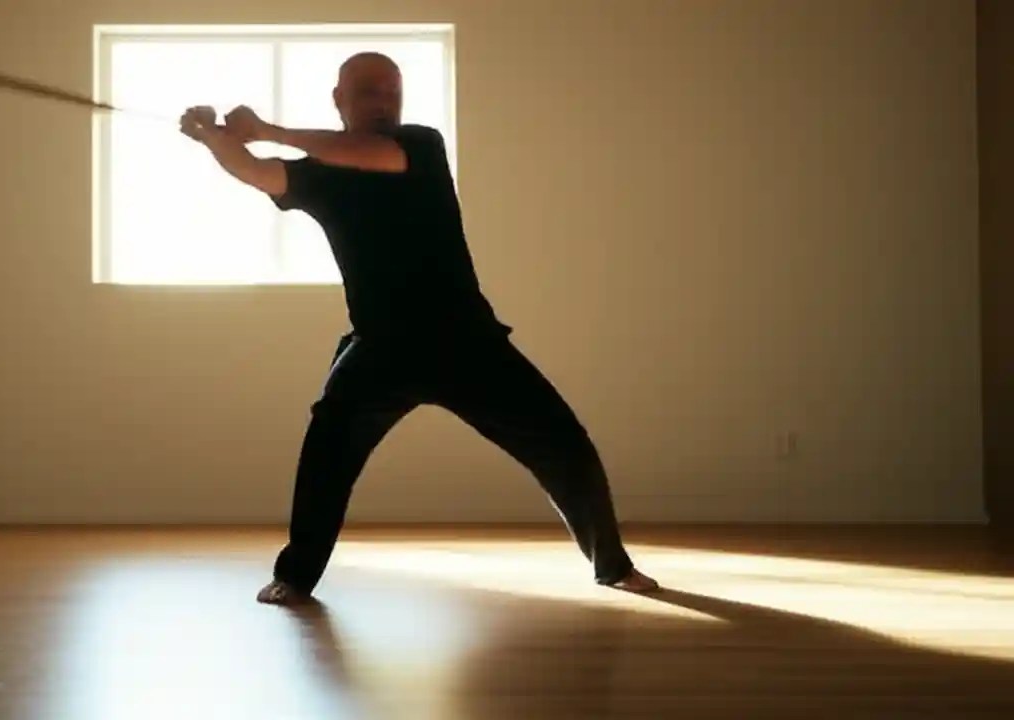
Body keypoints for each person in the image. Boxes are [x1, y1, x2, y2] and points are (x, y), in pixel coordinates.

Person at [178, 52, 658, 605]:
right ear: (339, 100)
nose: (383, 102)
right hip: (380, 347)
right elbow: (259, 172)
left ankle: (613, 566)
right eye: (368, 92)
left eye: (391, 91)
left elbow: (362, 155)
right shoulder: (319, 175)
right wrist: (214, 138)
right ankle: (296, 575)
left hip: (465, 340)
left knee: (564, 445)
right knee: (326, 456)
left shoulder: (418, 145)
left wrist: (266, 129)